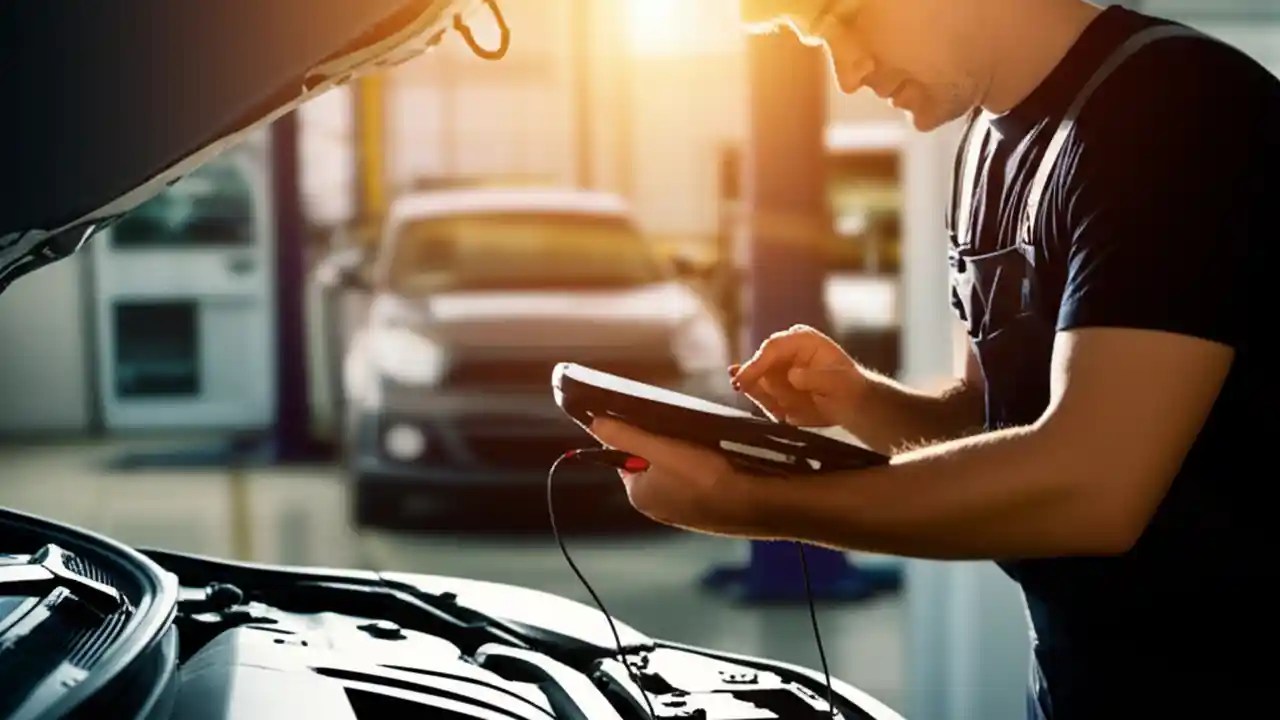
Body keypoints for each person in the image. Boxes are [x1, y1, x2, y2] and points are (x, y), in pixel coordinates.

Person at [588, 0, 1276, 717]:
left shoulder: (1175, 109)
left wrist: (746, 503)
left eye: (847, 21)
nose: (848, 74)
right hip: (1082, 684)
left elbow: (1092, 488)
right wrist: (859, 402)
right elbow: (990, 428)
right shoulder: (983, 147)